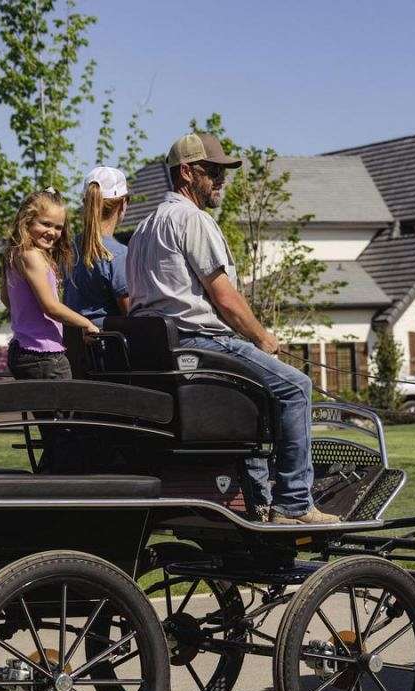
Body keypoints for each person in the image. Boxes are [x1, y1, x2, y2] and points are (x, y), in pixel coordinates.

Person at [125, 132, 339, 525]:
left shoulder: (143, 229)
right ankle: (293, 504)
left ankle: (258, 494)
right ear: (186, 173)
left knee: (264, 393)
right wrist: (262, 338)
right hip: (199, 342)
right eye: (213, 171)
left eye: (223, 171)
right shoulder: (192, 220)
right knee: (295, 387)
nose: (221, 179)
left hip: (166, 350)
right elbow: (224, 298)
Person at [1, 188, 99, 380]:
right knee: (66, 400)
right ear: (27, 221)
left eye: (58, 227)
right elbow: (51, 307)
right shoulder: (32, 256)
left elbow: (6, 299)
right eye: (45, 224)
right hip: (43, 355)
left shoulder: (14, 254)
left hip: (21, 349)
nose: (52, 232)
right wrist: (86, 324)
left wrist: (28, 319)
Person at [65, 166, 130, 327]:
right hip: (107, 340)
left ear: (85, 203)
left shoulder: (69, 249)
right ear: (123, 203)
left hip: (74, 341)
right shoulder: (118, 254)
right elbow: (132, 315)